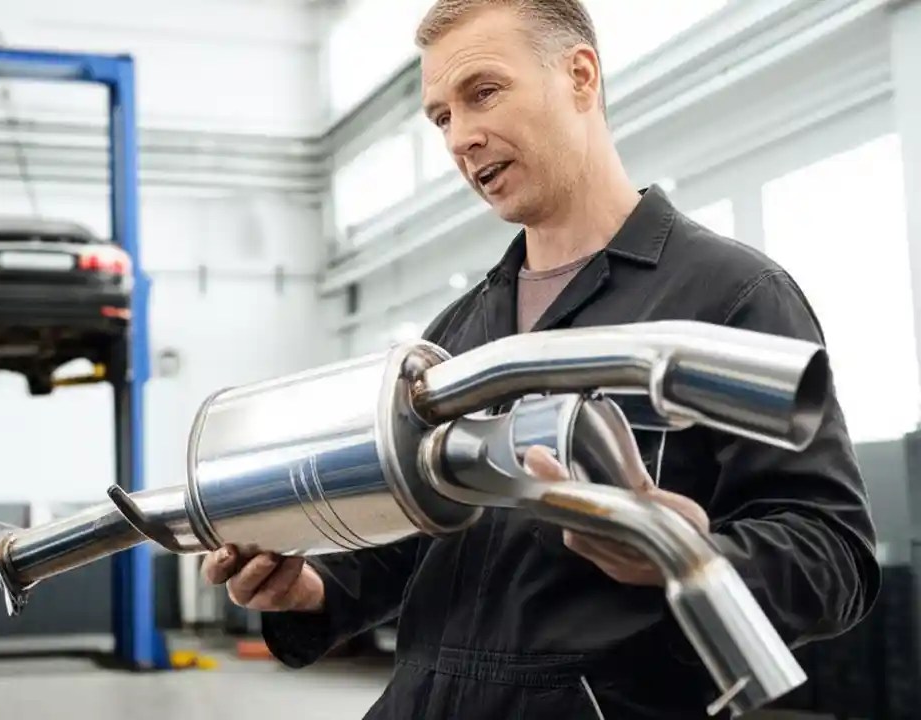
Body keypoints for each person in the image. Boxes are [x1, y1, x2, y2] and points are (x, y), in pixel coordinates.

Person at [202, 1, 881, 717]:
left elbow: (833, 555)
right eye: (441, 117)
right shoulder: (455, 337)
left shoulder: (730, 297)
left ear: (580, 77)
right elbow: (415, 541)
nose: (461, 137)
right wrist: (311, 589)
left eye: (483, 92)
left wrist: (692, 552)